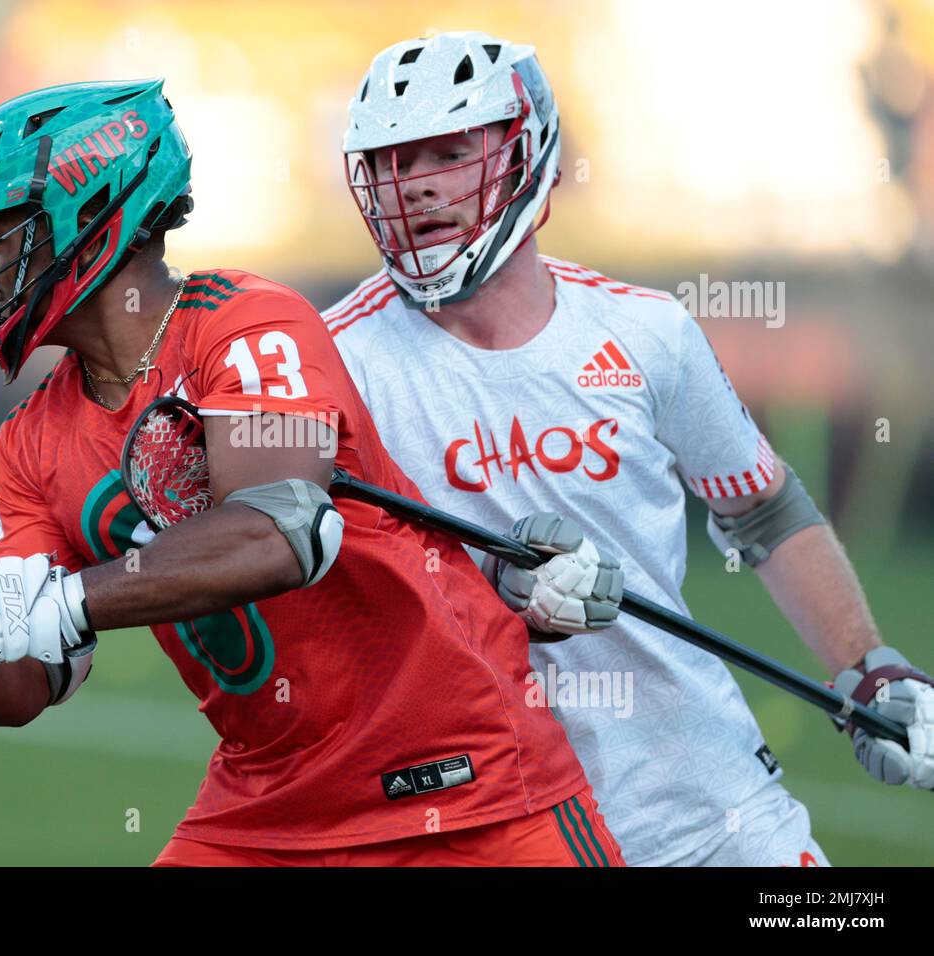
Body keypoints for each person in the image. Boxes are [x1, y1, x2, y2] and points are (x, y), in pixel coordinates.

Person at [0, 79, 625, 866]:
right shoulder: (29, 443)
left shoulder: (245, 320)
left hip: (464, 785)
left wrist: (54, 601)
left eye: (4, 233)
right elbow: (28, 680)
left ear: (94, 214)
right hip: (270, 804)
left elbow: (282, 532)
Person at [324, 31, 934, 866]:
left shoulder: (646, 332)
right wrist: (489, 586)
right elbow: (306, 581)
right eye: (395, 159)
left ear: (523, 151)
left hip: (711, 799)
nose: (417, 182)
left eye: (447, 151)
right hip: (490, 822)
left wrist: (871, 669)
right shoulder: (329, 364)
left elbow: (763, 509)